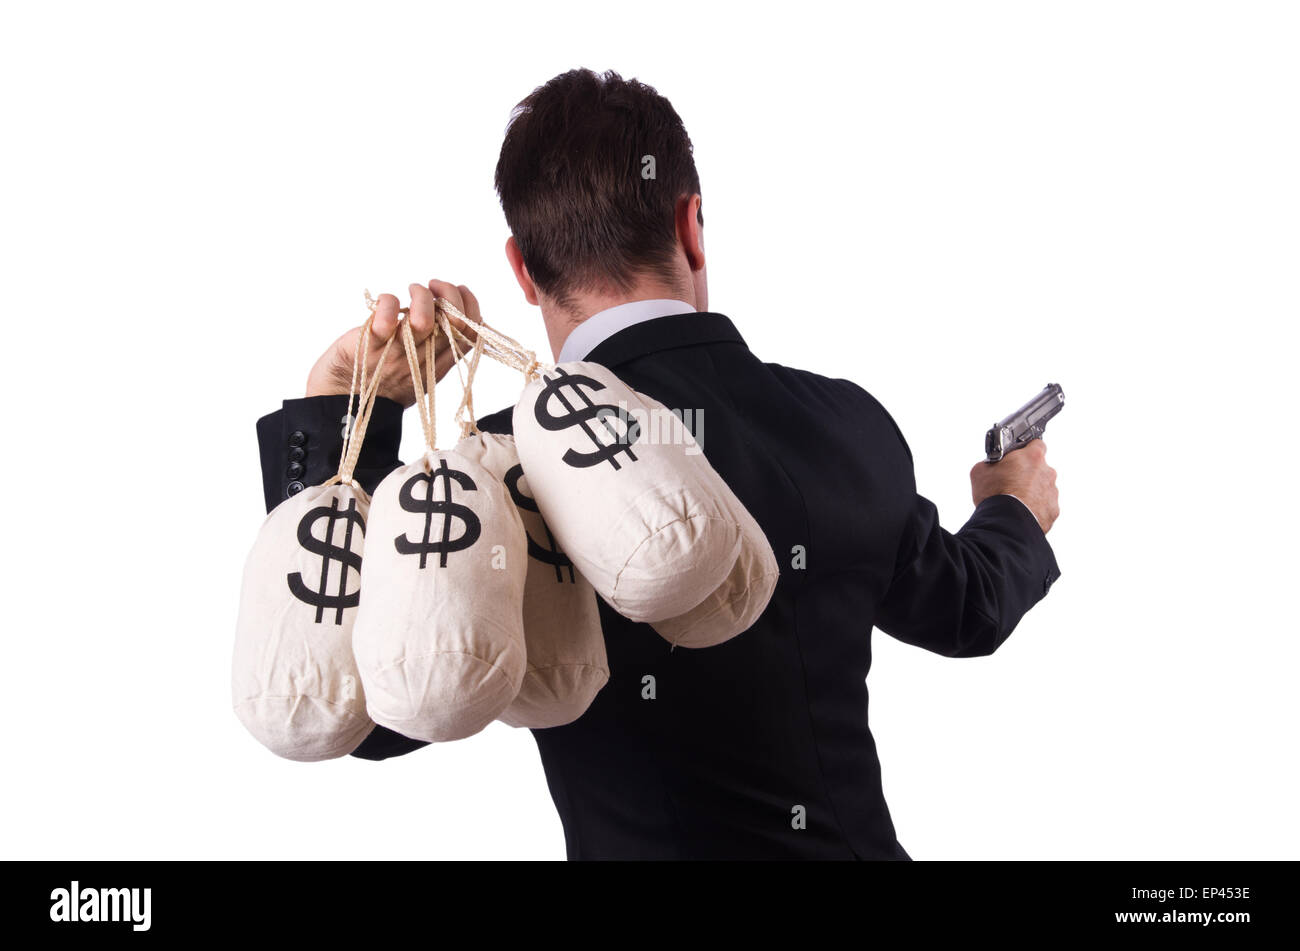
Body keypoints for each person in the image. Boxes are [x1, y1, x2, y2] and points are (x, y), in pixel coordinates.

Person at [254, 68, 1061, 859]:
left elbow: (360, 709)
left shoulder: (492, 474)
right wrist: (1012, 505)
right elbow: (967, 608)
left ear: (523, 270)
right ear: (692, 226)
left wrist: (345, 420)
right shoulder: (847, 424)